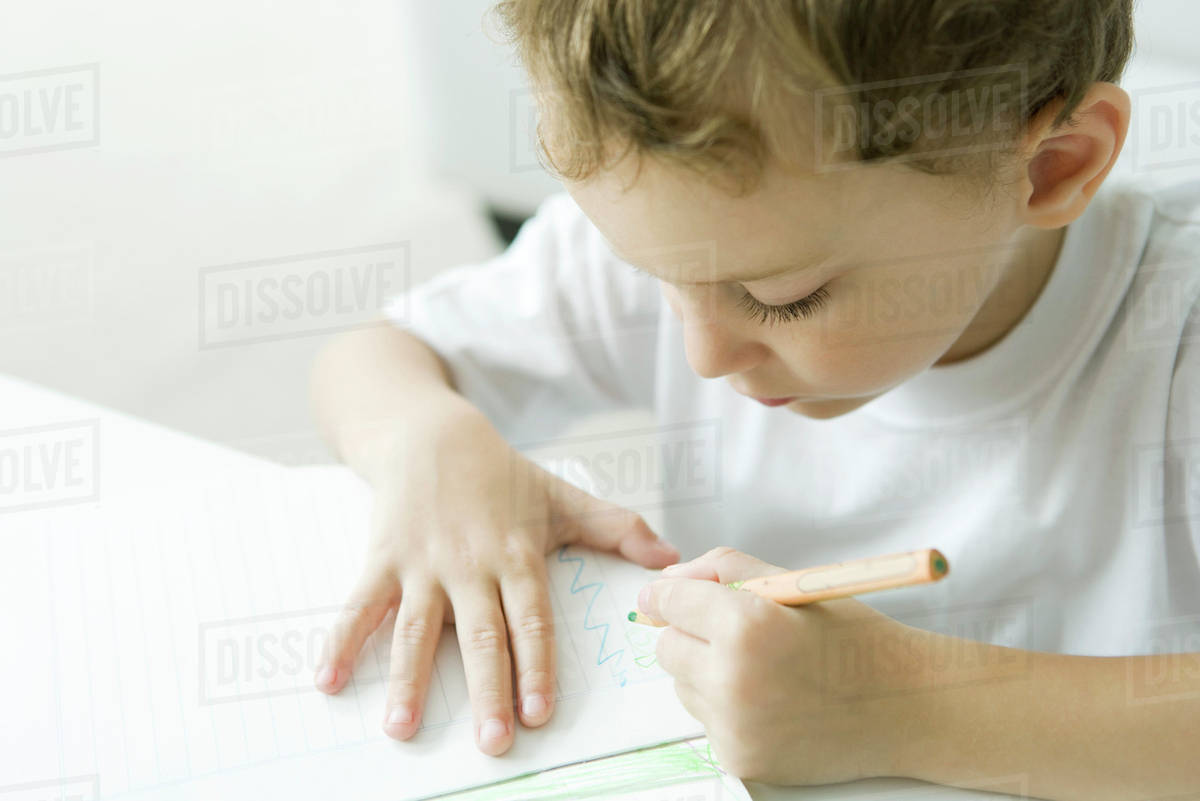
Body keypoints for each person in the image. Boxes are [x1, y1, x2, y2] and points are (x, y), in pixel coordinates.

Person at [309, 1, 1200, 797]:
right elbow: (375, 356)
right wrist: (430, 443)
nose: (702, 353)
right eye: (650, 277)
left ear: (1051, 168)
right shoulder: (700, 236)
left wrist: (901, 702)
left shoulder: (1176, 338)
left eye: (785, 299)